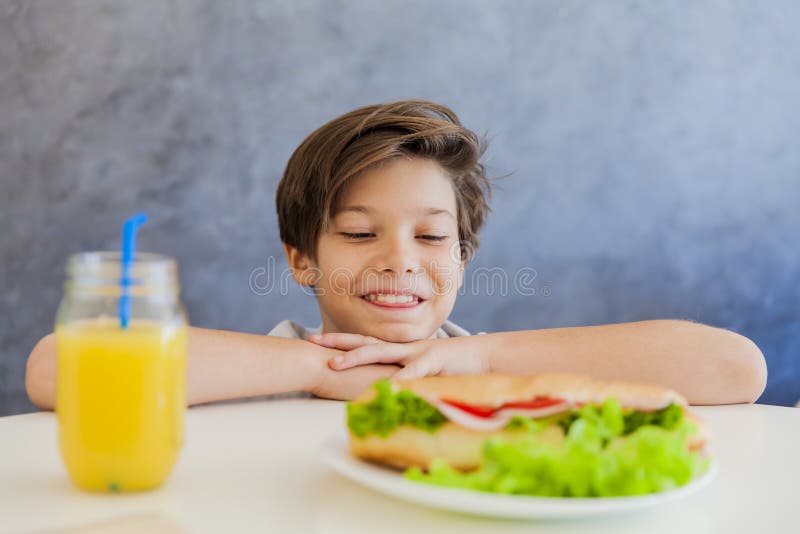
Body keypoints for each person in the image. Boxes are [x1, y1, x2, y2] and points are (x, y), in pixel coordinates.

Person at [25, 100, 767, 409]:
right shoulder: (262, 372)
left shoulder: (489, 368)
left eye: (432, 235)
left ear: (464, 258)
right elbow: (57, 368)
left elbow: (738, 369)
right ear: (300, 260)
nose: (399, 260)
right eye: (357, 232)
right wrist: (324, 368)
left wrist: (473, 364)